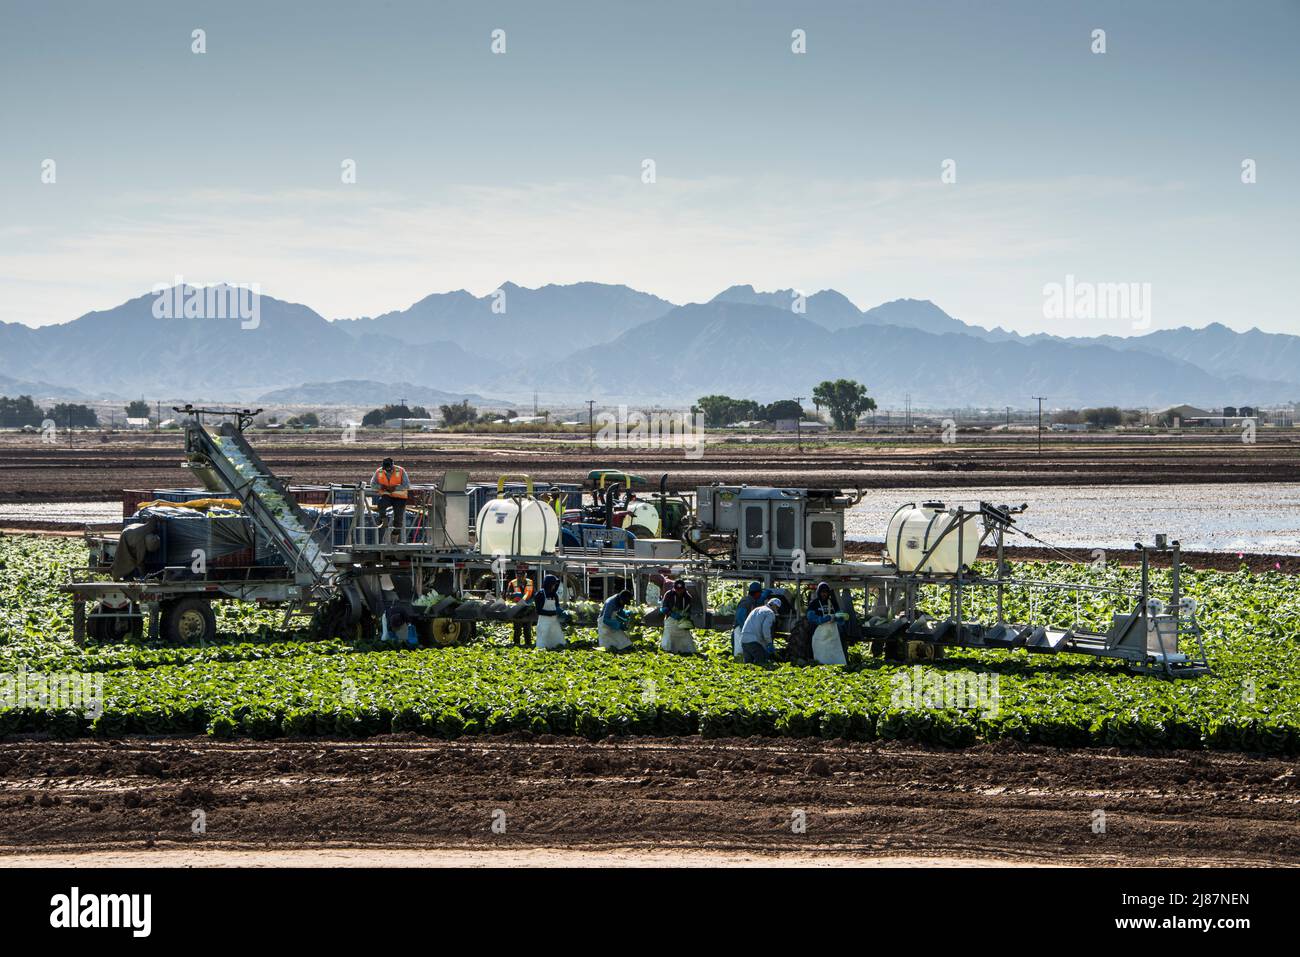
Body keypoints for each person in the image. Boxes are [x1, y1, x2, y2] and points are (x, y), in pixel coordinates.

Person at [370, 457, 411, 543]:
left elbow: (407, 485)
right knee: (381, 504)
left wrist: (395, 488)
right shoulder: (379, 471)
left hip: (400, 497)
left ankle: (394, 537)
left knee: (398, 520)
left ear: (392, 465)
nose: (388, 470)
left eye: (389, 468)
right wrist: (382, 487)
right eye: (386, 469)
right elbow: (372, 484)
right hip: (387, 495)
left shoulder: (400, 470)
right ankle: (384, 521)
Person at [807, 581, 848, 665]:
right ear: (819, 592)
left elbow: (838, 613)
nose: (824, 594)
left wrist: (840, 618)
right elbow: (810, 616)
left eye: (826, 592)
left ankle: (836, 663)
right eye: (822, 592)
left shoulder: (832, 602)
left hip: (833, 632)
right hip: (819, 632)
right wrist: (820, 619)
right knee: (820, 650)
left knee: (835, 648)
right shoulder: (814, 603)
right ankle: (820, 664)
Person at [740, 597, 782, 664]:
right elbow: (765, 629)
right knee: (761, 665)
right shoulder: (770, 613)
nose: (777, 610)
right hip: (754, 642)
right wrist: (769, 643)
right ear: (774, 606)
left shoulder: (757, 609)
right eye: (777, 608)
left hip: (744, 640)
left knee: (748, 666)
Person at [659, 579, 697, 654]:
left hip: (682, 620)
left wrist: (687, 619)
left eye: (681, 590)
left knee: (685, 637)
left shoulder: (688, 597)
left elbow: (689, 610)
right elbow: (663, 608)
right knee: (669, 635)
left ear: (684, 589)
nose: (679, 591)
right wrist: (672, 614)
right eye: (677, 589)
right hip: (670, 619)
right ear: (674, 588)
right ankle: (668, 650)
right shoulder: (669, 594)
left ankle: (685, 651)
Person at [533, 574, 566, 650]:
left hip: (554, 622)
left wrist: (561, 612)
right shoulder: (540, 595)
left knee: (557, 640)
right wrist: (553, 613)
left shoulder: (554, 595)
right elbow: (539, 611)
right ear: (548, 584)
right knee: (543, 641)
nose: (554, 587)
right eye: (553, 585)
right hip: (544, 622)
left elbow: (557, 606)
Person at [731, 581, 764, 657]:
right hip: (740, 629)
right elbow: (740, 616)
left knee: (745, 653)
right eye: (760, 593)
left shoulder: (752, 601)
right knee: (739, 653)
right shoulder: (746, 602)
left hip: (744, 629)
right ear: (756, 593)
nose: (760, 595)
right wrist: (745, 629)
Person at [508, 564, 534, 646]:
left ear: (525, 575)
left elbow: (534, 594)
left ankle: (528, 645)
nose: (520, 577)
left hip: (528, 609)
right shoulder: (512, 583)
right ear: (516, 575)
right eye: (518, 575)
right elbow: (507, 596)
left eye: (522, 575)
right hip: (517, 609)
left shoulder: (530, 582)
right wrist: (514, 595)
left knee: (527, 629)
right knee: (517, 629)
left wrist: (532, 601)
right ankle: (516, 645)